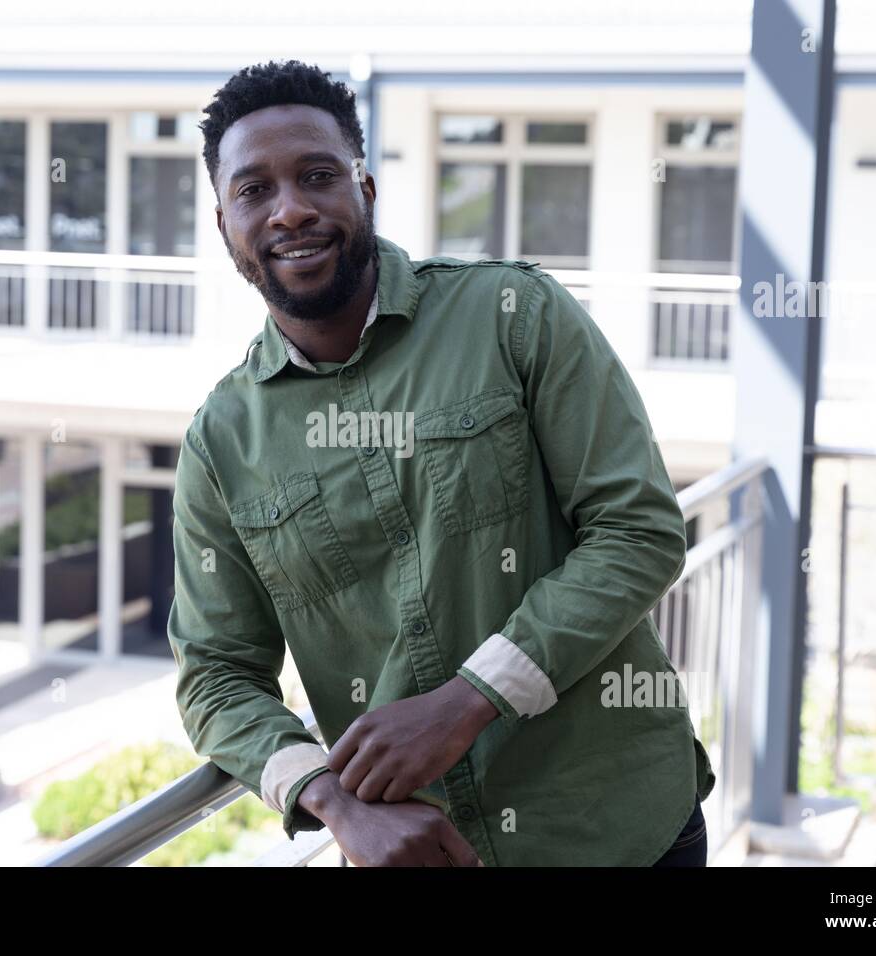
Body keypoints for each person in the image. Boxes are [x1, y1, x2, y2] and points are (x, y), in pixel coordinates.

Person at [168, 59, 714, 866]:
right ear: (224, 225)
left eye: (317, 176)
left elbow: (637, 531)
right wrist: (330, 799)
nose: (290, 210)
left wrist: (469, 700)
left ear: (366, 188)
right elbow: (215, 676)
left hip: (620, 830)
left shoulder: (513, 316)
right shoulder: (220, 444)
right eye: (254, 190)